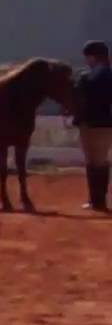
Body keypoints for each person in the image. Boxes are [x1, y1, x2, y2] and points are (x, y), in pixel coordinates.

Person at [72, 39, 112, 211]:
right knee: (101, 161)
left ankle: (94, 200)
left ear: (92, 57)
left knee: (91, 162)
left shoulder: (85, 77)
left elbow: (79, 101)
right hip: (106, 124)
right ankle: (100, 200)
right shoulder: (110, 75)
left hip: (88, 124)